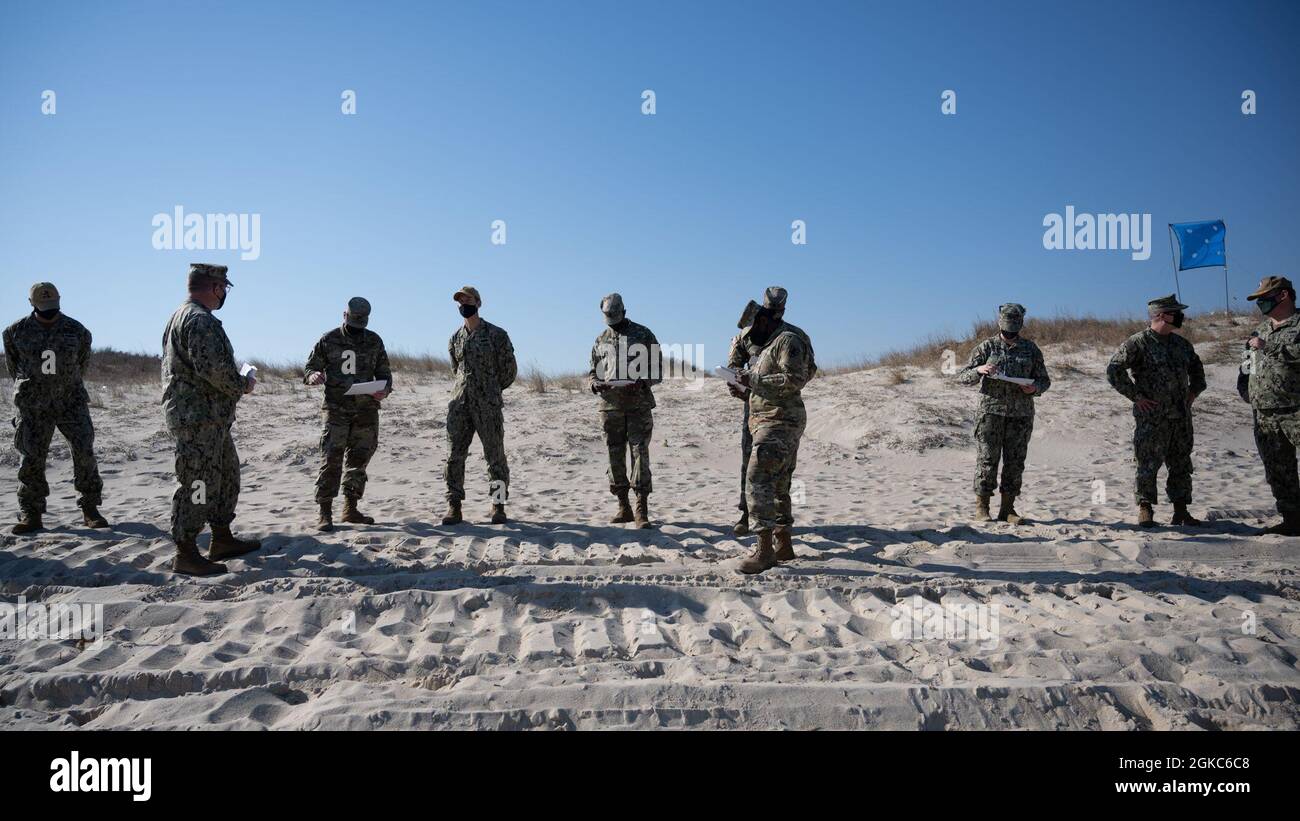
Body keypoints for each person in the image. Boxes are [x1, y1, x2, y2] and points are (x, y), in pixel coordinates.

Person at [161, 263, 262, 575]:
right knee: (199, 482)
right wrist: (242, 383)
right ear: (214, 287)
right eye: (223, 288)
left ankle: (221, 538)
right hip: (198, 419)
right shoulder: (198, 320)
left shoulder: (185, 316)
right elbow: (214, 370)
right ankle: (186, 551)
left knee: (225, 476)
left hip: (208, 418)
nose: (224, 294)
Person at [3, 282, 108, 533]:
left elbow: (81, 364)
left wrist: (64, 384)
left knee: (84, 452)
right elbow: (13, 367)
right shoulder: (15, 332)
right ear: (31, 304)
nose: (50, 311)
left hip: (71, 402)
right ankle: (31, 512)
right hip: (33, 405)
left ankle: (90, 508)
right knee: (31, 458)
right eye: (44, 306)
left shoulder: (77, 330)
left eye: (53, 305)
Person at [1106, 294, 1206, 528]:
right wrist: (1136, 397)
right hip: (1152, 418)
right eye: (1176, 312)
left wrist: (1193, 393)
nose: (1181, 317)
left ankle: (1180, 511)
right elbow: (1113, 371)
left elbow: (1197, 370)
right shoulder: (1138, 343)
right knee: (1147, 464)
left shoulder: (1181, 344)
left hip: (1180, 418)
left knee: (1181, 464)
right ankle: (1145, 509)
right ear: (1161, 315)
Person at [735, 291, 815, 574]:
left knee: (757, 479)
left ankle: (765, 549)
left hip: (780, 420)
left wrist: (752, 379)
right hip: (768, 419)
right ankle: (783, 543)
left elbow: (796, 379)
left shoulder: (787, 340)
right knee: (780, 481)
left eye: (753, 328)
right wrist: (742, 387)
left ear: (766, 320)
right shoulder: (767, 342)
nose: (750, 335)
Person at [956, 303, 1050, 523]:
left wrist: (1035, 388)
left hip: (1021, 415)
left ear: (1021, 325)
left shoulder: (1031, 349)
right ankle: (982, 507)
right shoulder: (986, 347)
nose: (1010, 331)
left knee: (1015, 461)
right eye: (1007, 326)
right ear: (1000, 323)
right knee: (987, 459)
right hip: (991, 412)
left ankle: (1007, 509)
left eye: (1014, 327)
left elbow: (1044, 380)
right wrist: (979, 370)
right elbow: (962, 377)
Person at [304, 297, 392, 532]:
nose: (356, 327)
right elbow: (310, 367)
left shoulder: (374, 341)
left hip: (366, 410)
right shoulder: (329, 339)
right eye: (353, 322)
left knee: (359, 460)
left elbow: (384, 373)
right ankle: (325, 512)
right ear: (345, 315)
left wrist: (384, 390)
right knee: (331, 459)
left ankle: (350, 508)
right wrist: (313, 376)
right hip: (336, 410)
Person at [441, 286, 517, 525]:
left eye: (469, 300)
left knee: (495, 457)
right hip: (460, 404)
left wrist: (491, 390)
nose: (464, 304)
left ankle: (498, 505)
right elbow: (456, 370)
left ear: (478, 303)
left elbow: (509, 371)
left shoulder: (496, 335)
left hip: (488, 406)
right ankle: (454, 506)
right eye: (461, 301)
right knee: (454, 456)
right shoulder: (455, 338)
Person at [588, 293, 661, 528]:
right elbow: (593, 371)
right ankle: (623, 505)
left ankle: (641, 507)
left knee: (640, 453)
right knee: (614, 455)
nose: (614, 322)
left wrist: (641, 382)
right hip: (610, 407)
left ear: (624, 312)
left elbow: (657, 369)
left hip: (638, 405)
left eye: (616, 317)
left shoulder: (643, 334)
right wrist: (595, 384)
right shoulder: (600, 340)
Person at [1241, 276, 1300, 536]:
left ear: (1284, 295)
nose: (1260, 303)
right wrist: (1244, 387)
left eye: (1264, 298)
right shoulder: (1260, 331)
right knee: (1278, 470)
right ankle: (1292, 520)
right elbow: (1247, 363)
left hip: (1296, 408)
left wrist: (1270, 346)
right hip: (1264, 412)